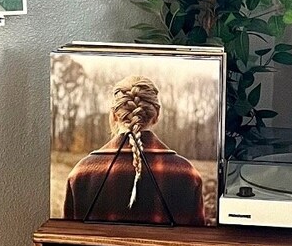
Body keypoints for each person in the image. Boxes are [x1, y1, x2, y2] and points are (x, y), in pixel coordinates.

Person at [64, 74, 206, 224]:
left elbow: (67, 236)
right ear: (156, 115)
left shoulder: (80, 173)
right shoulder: (187, 174)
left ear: (114, 115)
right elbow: (197, 236)